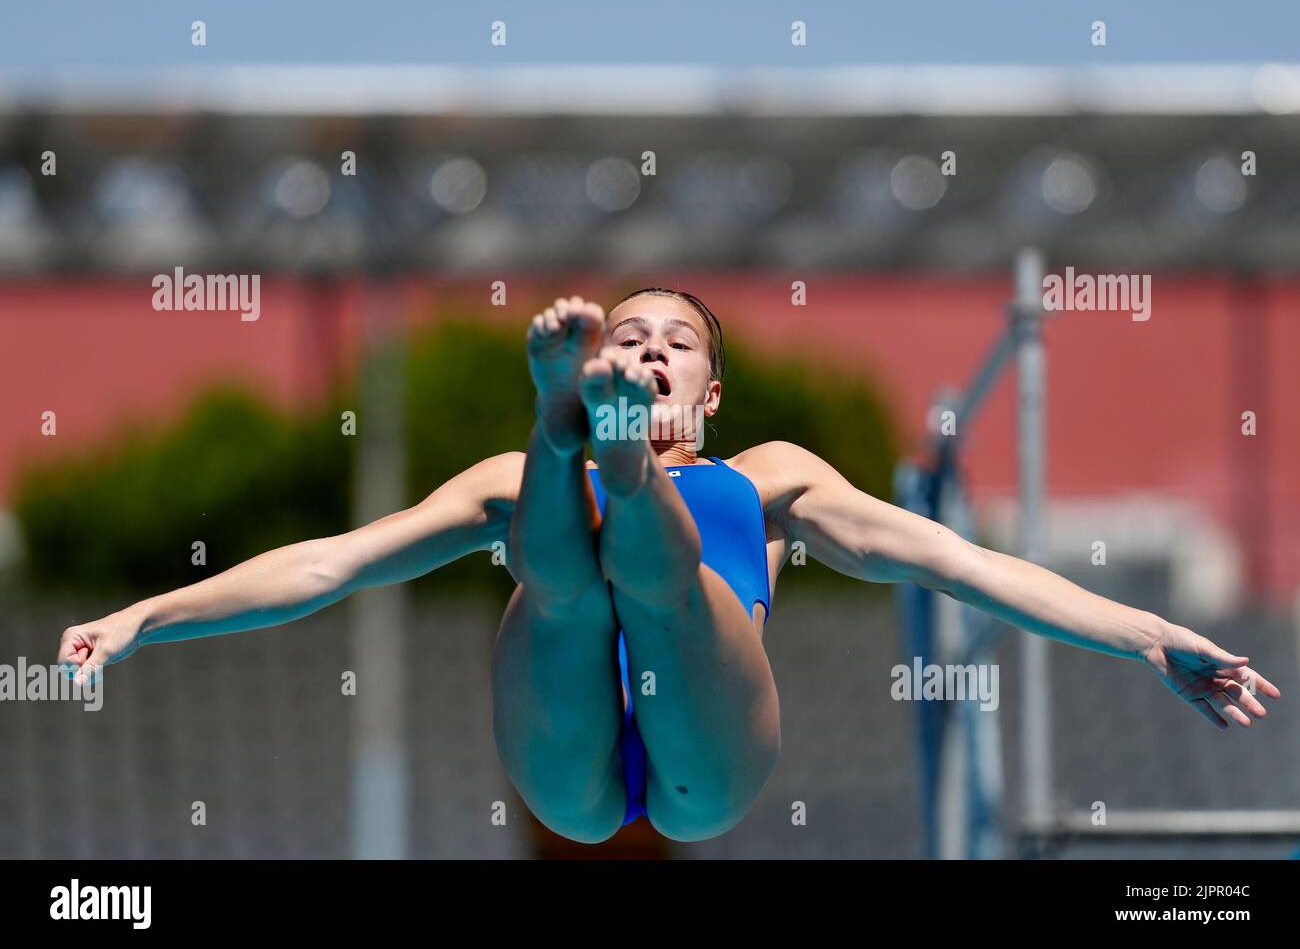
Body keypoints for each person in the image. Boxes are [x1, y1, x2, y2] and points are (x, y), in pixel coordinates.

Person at [56, 288, 1282, 845]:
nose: (649, 348)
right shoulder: (504, 488)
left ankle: (612, 466)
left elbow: (966, 565)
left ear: (710, 388)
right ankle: (575, 447)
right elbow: (327, 564)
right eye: (627, 339)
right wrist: (142, 617)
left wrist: (1144, 633)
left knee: (650, 567)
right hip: (567, 760)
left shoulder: (768, 474)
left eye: (672, 342)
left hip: (707, 753)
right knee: (560, 574)